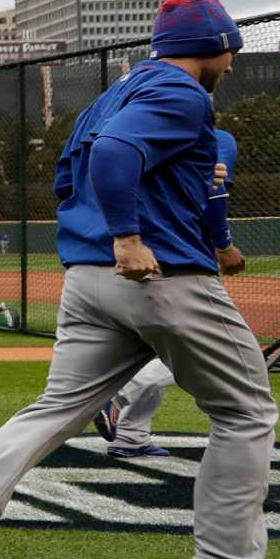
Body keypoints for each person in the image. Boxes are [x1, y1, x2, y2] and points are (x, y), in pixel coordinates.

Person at [0, 0, 280, 559]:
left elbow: (71, 175)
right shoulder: (180, 91)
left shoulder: (113, 94)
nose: (232, 61)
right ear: (210, 44)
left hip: (86, 279)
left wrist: (108, 235)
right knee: (247, 412)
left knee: (59, 407)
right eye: (229, 49)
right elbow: (117, 154)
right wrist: (129, 236)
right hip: (158, 277)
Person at [93, 132, 240, 459]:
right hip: (180, 259)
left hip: (120, 258)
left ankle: (131, 436)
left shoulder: (125, 139)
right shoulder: (218, 139)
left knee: (151, 349)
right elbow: (215, 195)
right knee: (204, 349)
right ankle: (120, 396)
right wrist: (225, 245)